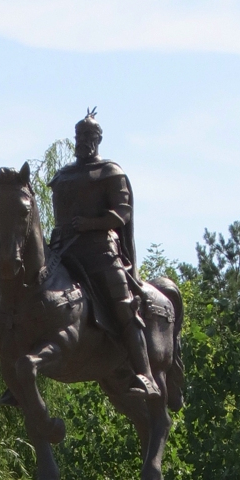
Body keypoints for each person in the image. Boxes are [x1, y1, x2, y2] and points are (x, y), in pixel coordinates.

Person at [48, 110, 160, 397]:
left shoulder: (110, 172)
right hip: (63, 252)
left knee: (124, 305)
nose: (83, 141)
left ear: (98, 139)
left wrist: (90, 225)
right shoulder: (62, 176)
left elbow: (122, 214)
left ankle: (145, 375)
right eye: (79, 136)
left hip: (100, 251)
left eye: (88, 136)